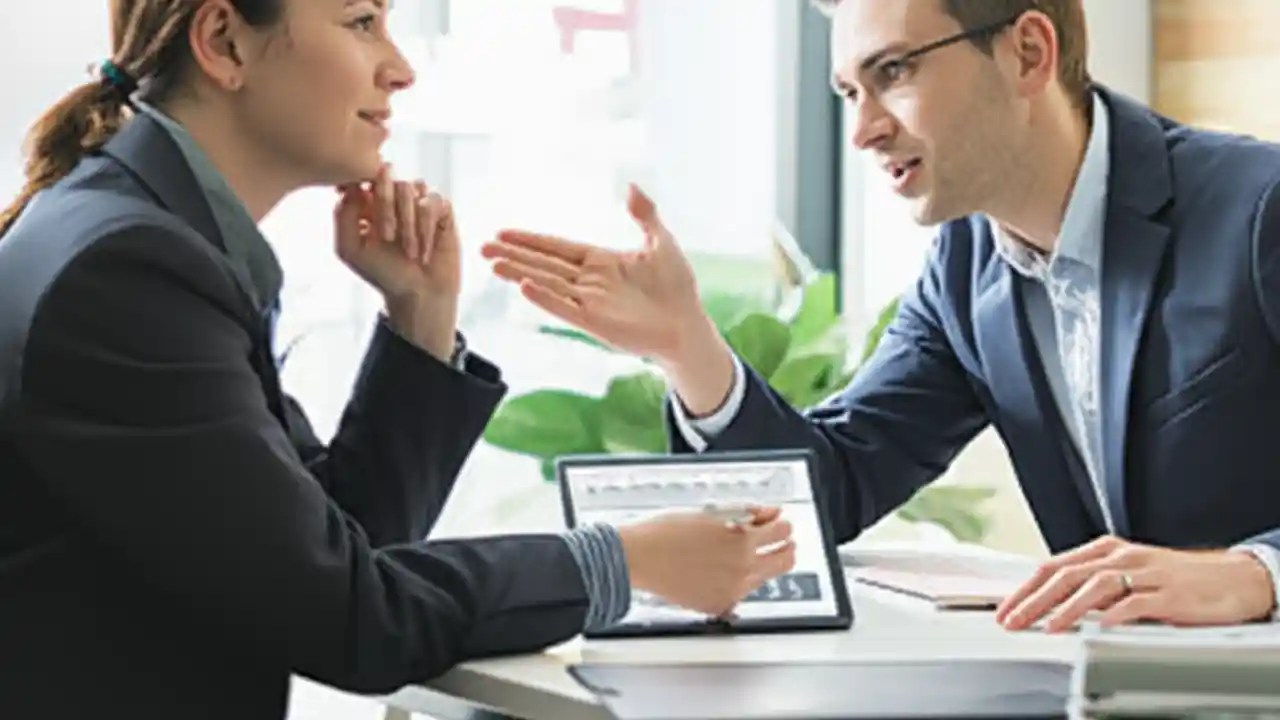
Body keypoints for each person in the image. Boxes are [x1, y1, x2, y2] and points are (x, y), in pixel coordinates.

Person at [0, 1, 797, 717]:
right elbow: (352, 619)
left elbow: (344, 549)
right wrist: (622, 561)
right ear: (224, 42)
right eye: (361, 21)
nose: (401, 66)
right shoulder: (131, 272)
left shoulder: (150, 239)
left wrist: (420, 318)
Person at [482, 0, 1280, 634]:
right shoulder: (967, 270)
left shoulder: (1258, 210)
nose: (863, 129)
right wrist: (687, 348)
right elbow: (833, 487)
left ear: (1028, 52)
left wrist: (1256, 575)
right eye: (847, 93)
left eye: (892, 72)